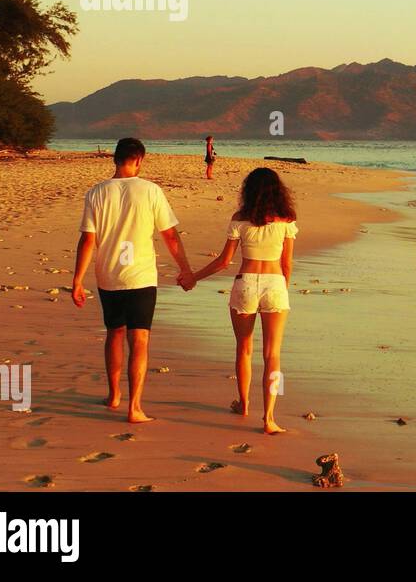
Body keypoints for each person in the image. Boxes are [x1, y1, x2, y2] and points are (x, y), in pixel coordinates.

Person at [71, 138, 196, 423]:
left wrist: (77, 280)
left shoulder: (96, 193)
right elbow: (170, 235)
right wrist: (185, 270)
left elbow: (87, 239)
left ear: (115, 159)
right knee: (139, 339)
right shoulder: (151, 191)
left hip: (109, 275)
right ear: (139, 160)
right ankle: (134, 407)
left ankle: (114, 395)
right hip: (140, 277)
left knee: (114, 333)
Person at [189, 168, 297, 434]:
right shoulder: (286, 220)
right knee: (273, 354)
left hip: (246, 282)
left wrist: (194, 277)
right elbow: (287, 263)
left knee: (244, 348)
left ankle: (244, 403)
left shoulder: (240, 219)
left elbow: (224, 262)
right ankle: (269, 418)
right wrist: (284, 288)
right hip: (275, 284)